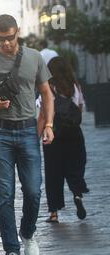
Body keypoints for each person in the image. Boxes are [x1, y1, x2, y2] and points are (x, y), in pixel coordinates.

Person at [0, 15, 55, 255]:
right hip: (0, 133)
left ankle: (27, 232)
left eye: (11, 37)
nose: (7, 43)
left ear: (18, 32)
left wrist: (48, 124)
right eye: (1, 38)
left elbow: (47, 93)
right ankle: (11, 252)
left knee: (33, 191)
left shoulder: (34, 57)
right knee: (5, 195)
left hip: (28, 131)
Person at [43, 56, 89, 223]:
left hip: (53, 134)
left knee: (53, 173)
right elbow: (80, 109)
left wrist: (38, 133)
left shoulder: (48, 87)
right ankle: (77, 194)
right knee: (75, 166)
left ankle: (54, 213)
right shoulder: (75, 87)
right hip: (74, 134)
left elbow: (42, 112)